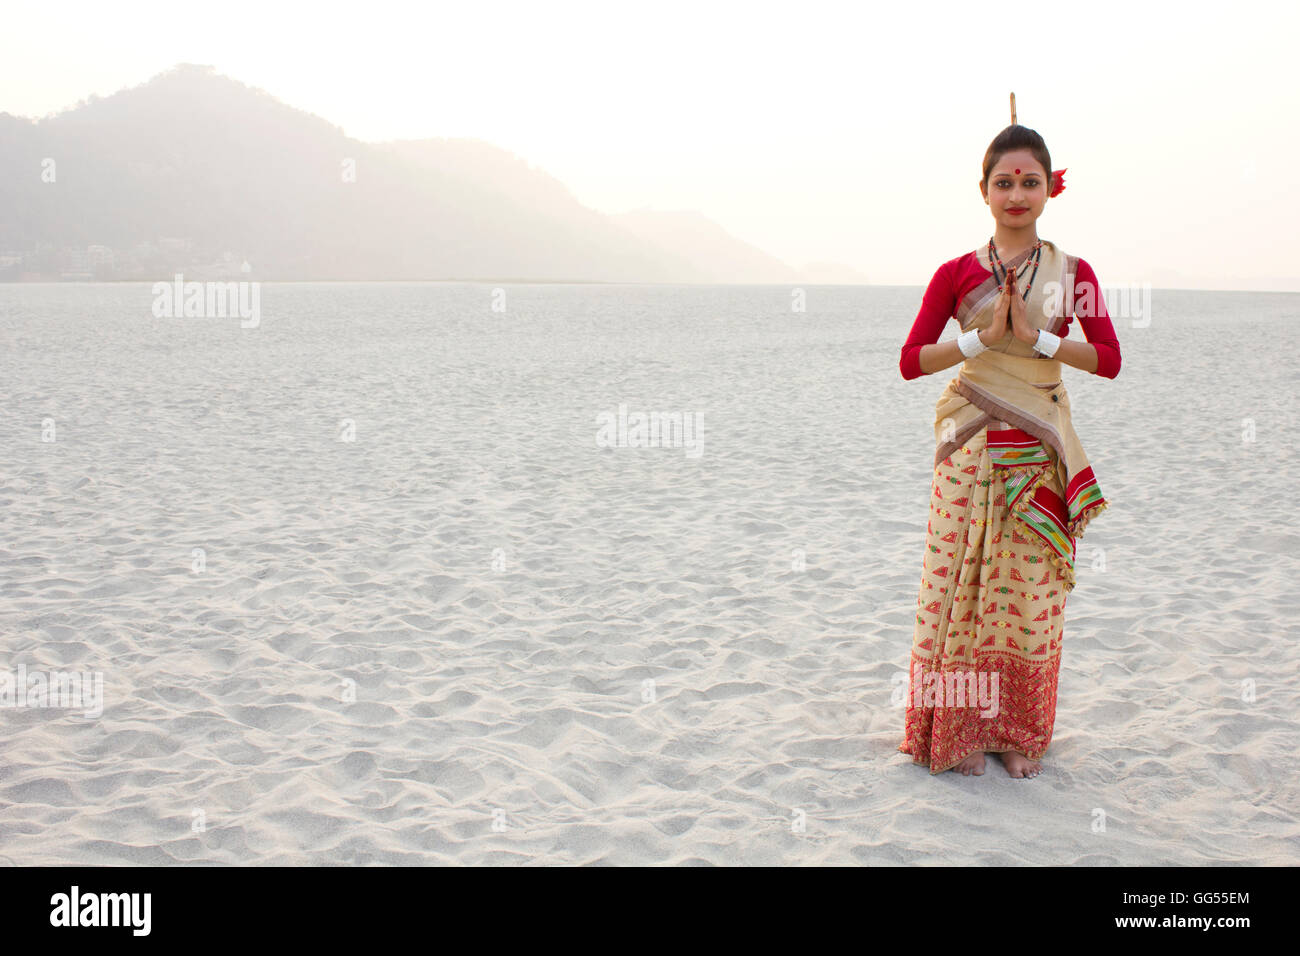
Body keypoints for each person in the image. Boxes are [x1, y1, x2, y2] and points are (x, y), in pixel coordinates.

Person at [896, 122, 1122, 779]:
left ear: (1049, 188)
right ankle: (958, 728)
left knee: (1027, 597)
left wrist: (1039, 339)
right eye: (1004, 182)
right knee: (959, 591)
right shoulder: (956, 272)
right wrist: (981, 340)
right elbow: (912, 360)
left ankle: (1019, 732)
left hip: (1038, 444)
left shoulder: (1073, 274)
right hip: (967, 442)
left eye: (1029, 181)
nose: (1016, 193)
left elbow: (1108, 359)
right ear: (983, 191)